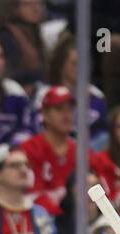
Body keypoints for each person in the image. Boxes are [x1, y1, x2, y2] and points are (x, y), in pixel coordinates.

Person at [20, 84, 77, 217]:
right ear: (44, 114)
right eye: (59, 109)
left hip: (75, 220)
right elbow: (32, 196)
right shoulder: (29, 149)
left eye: (70, 110)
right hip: (43, 218)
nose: (66, 115)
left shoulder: (81, 151)